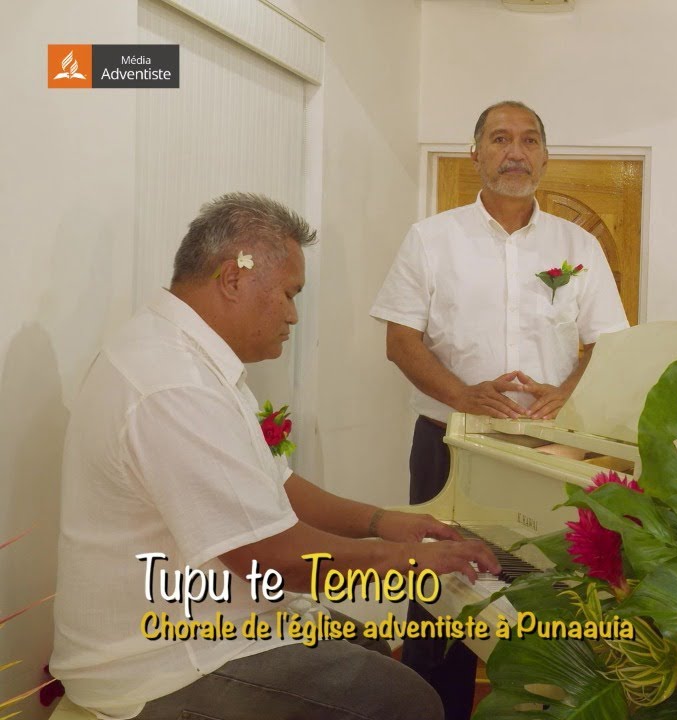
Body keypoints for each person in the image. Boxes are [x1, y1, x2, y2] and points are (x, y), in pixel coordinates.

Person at [51, 193, 499, 720]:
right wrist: (405, 562)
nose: (292, 315)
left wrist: (383, 522)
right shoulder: (173, 383)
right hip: (164, 660)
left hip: (208, 621)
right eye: (289, 294)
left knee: (367, 648)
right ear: (234, 278)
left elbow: (277, 483)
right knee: (408, 702)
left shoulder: (189, 355)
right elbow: (266, 557)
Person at [369, 100, 629, 718]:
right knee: (439, 593)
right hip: (448, 443)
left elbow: (607, 344)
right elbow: (399, 340)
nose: (516, 151)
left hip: (551, 452)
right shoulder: (431, 239)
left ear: (544, 155)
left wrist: (567, 393)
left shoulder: (579, 245)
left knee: (555, 592)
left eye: (529, 139)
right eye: (500, 138)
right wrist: (463, 395)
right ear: (476, 153)